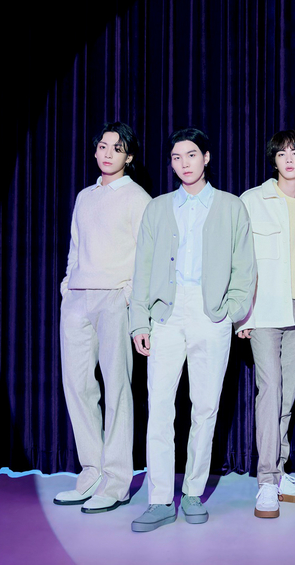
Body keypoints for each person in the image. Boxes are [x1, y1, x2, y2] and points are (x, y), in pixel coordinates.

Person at [129, 128, 256, 532]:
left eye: (191, 155)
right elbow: (142, 268)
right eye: (176, 157)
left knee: (205, 407)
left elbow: (245, 266)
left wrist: (230, 312)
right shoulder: (158, 208)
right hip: (166, 313)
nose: (183, 163)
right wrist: (139, 321)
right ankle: (159, 499)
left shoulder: (231, 206)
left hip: (209, 311)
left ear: (206, 157)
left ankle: (193, 493)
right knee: (159, 408)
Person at [55, 122, 151, 513]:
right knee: (77, 387)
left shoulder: (137, 197)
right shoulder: (84, 196)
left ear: (129, 156)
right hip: (77, 299)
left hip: (115, 299)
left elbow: (146, 254)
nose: (108, 153)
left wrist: (126, 297)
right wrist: (68, 287)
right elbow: (75, 247)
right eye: (102, 146)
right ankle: (91, 473)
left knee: (117, 389)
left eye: (117, 148)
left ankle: (116, 481)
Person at [237, 130, 295, 519]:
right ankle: (266, 480)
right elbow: (239, 259)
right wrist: (241, 313)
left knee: (286, 395)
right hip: (264, 308)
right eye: (281, 153)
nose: (289, 159)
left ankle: (280, 470)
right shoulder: (252, 200)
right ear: (273, 160)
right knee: (269, 389)